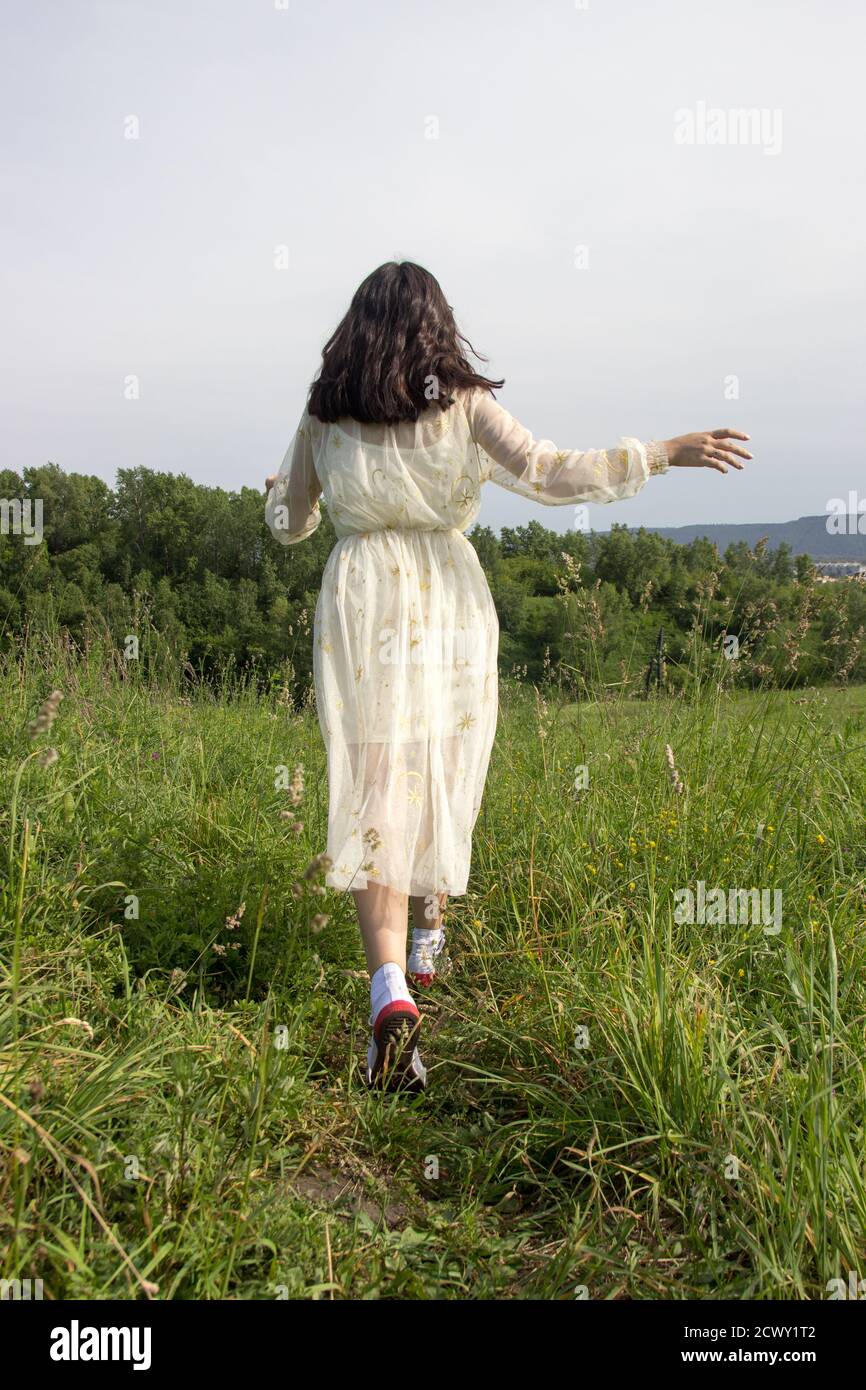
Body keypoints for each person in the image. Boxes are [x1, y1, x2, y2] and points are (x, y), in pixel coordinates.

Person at [264, 261, 750, 1090]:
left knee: (377, 780)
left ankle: (389, 992)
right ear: (435, 326)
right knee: (444, 764)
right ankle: (426, 947)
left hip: (363, 603)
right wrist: (661, 453)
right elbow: (553, 472)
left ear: (356, 327)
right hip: (449, 601)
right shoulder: (463, 405)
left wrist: (275, 495)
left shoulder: (324, 414)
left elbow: (291, 523)